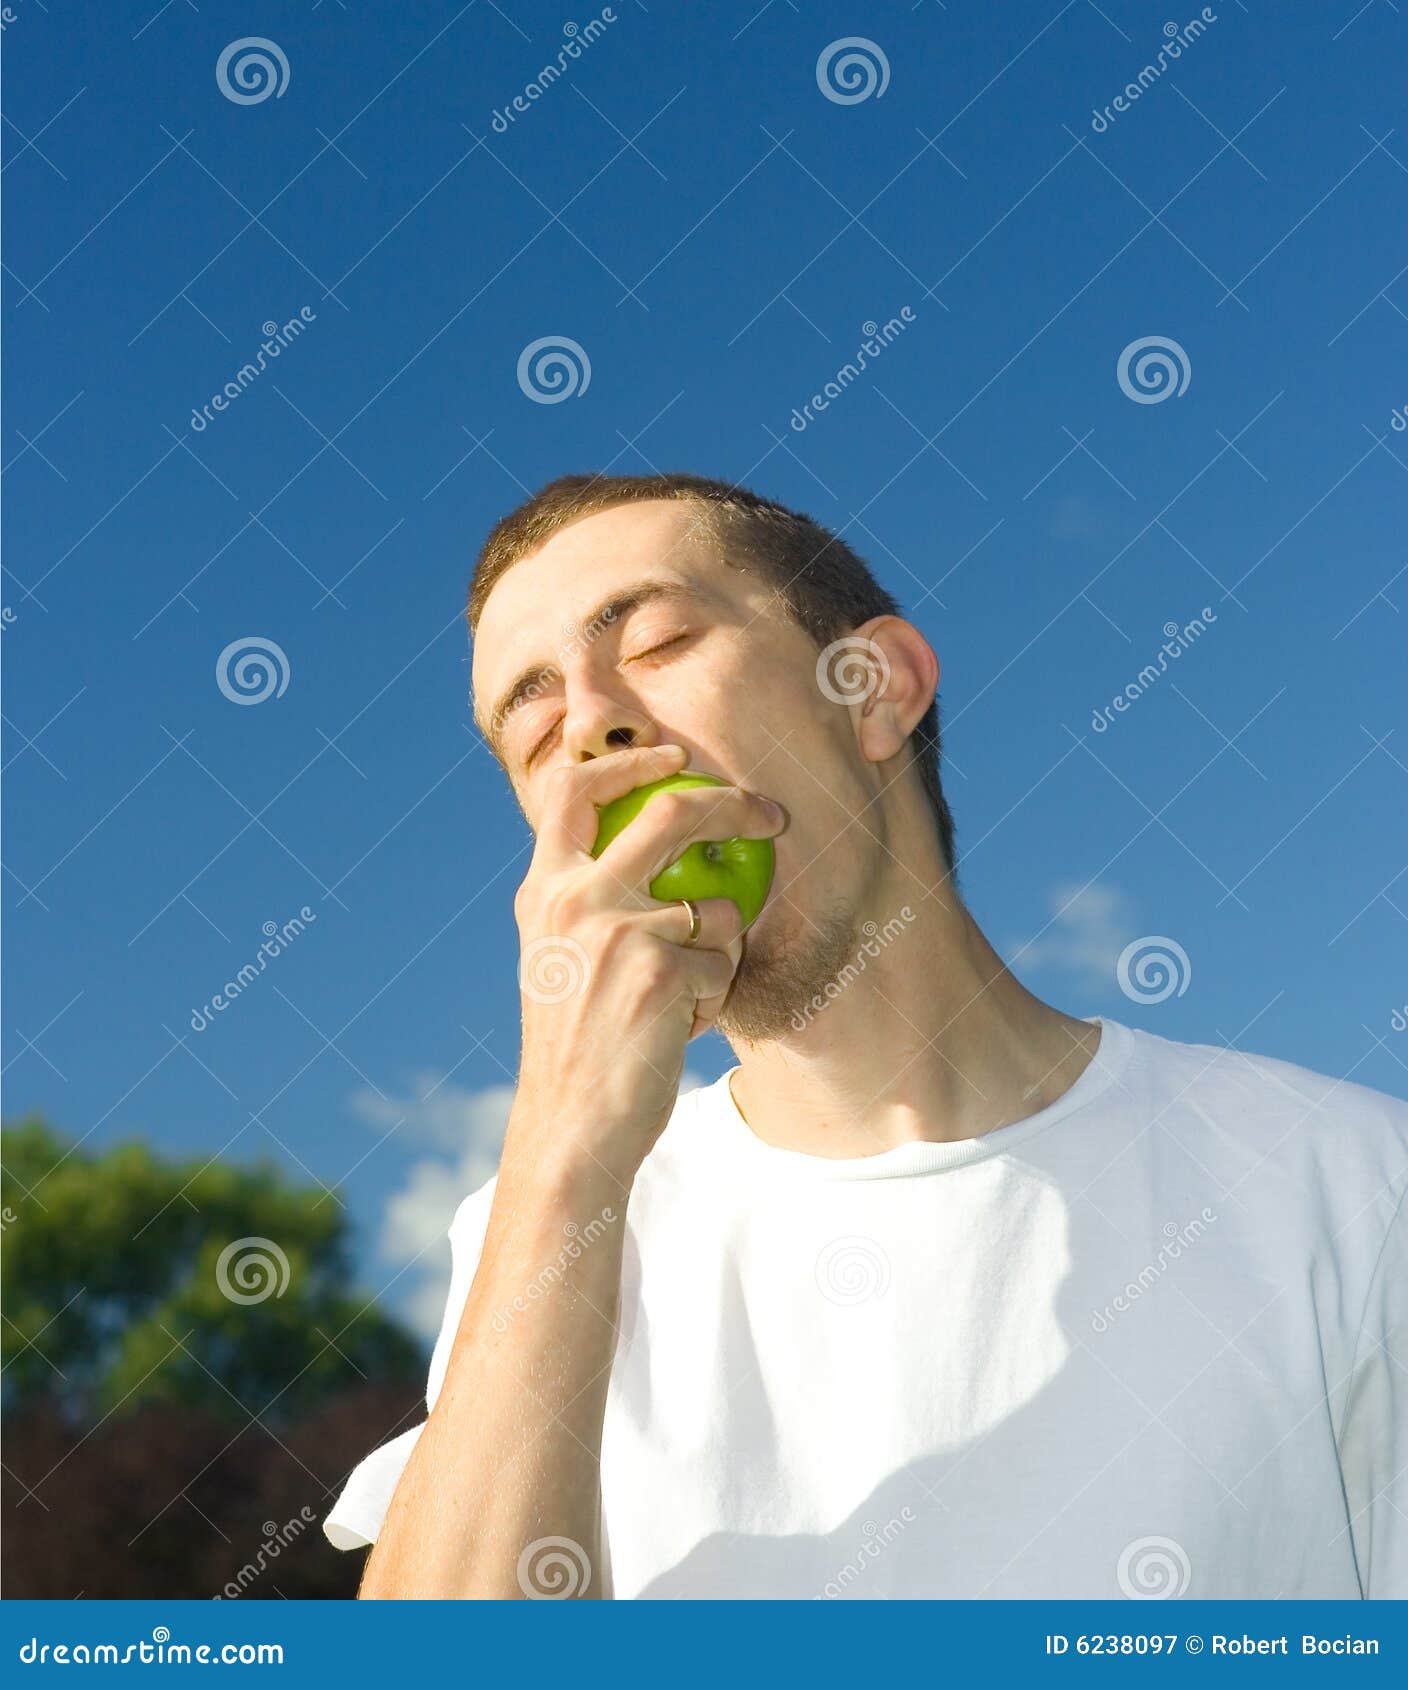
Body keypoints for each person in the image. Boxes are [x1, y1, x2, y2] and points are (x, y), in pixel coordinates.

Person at [324, 473, 1406, 1599]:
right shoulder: (538, 1237)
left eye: (655, 640)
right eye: (534, 728)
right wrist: (561, 1146)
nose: (591, 722)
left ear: (874, 688)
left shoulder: (1353, 1184)